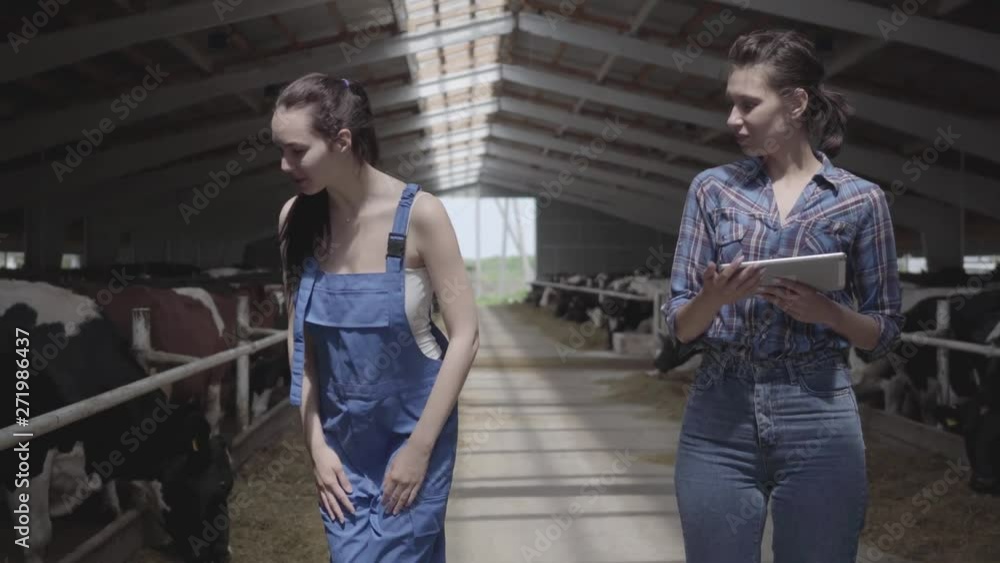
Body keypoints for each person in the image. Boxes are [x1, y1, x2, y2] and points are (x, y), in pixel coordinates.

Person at [663, 29, 904, 562]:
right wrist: (716, 299)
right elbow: (679, 325)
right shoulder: (712, 189)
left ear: (796, 104)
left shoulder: (861, 202)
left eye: (749, 104)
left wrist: (829, 313)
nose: (733, 119)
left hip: (819, 412)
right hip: (718, 414)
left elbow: (885, 331)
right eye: (732, 103)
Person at [273, 73, 479, 562]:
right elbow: (298, 342)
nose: (284, 165)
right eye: (279, 150)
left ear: (342, 141)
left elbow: (466, 334)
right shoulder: (295, 219)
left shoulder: (420, 216)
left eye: (297, 150)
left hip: (412, 435)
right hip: (341, 447)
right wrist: (316, 448)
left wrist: (420, 450)